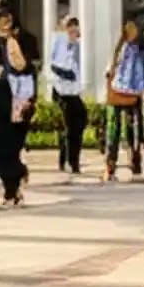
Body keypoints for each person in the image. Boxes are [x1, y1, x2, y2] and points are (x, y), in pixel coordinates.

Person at [0, 4, 41, 209]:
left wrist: (11, 43)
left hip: (19, 99)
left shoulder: (24, 39)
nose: (4, 22)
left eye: (7, 17)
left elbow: (23, 66)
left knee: (11, 147)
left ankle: (12, 192)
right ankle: (16, 175)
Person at [103, 18, 144, 183]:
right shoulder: (121, 46)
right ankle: (111, 163)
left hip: (134, 93)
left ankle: (135, 159)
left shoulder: (142, 48)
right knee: (114, 128)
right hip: (118, 91)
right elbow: (111, 67)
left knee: (133, 129)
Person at [51, 16, 86, 179]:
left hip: (74, 91)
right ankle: (71, 161)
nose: (74, 29)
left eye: (76, 26)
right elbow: (53, 64)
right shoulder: (59, 42)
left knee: (78, 124)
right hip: (62, 90)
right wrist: (65, 74)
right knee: (71, 126)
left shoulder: (77, 46)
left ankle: (69, 158)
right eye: (70, 27)